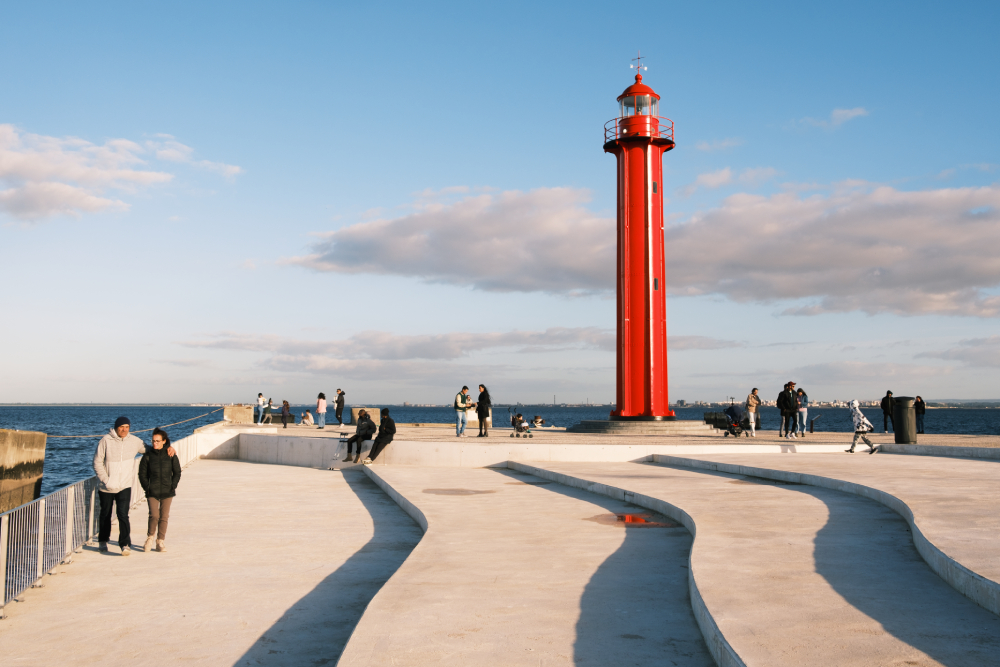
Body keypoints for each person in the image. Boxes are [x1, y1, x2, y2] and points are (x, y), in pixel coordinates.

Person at [93, 416, 174, 556]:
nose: (124, 430)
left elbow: (152, 448)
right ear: (116, 427)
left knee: (123, 514)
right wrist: (106, 480)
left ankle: (125, 544)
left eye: (127, 427)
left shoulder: (134, 441)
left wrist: (168, 447)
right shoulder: (105, 441)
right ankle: (103, 540)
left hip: (124, 485)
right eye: (121, 427)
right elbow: (97, 462)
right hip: (106, 487)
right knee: (105, 515)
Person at [138, 428, 181, 553]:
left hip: (168, 491)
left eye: (157, 441)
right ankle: (150, 538)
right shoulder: (147, 456)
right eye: (153, 441)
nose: (154, 443)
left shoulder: (171, 455)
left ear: (164, 441)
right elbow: (142, 474)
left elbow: (177, 472)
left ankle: (160, 541)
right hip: (153, 492)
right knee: (154, 515)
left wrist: (173, 485)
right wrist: (147, 487)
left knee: (164, 517)